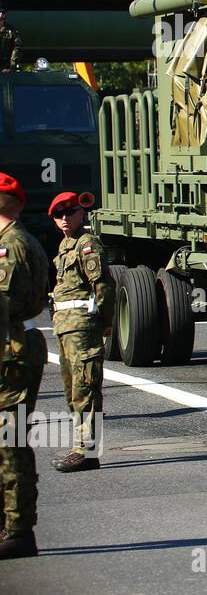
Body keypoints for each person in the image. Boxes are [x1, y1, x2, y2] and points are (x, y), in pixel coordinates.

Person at [0, 172, 50, 559]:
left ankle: (17, 530)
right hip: (15, 346)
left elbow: (6, 302)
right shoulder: (17, 241)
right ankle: (12, 525)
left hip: (12, 351)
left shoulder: (11, 246)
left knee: (10, 443)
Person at [47, 193, 114, 474]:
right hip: (66, 329)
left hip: (82, 328)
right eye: (58, 215)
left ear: (80, 214)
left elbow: (102, 285)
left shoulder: (87, 245)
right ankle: (81, 448)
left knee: (85, 389)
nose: (64, 219)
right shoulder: (65, 245)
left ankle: (86, 452)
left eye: (69, 213)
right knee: (73, 390)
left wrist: (104, 321)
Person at [0, 2, 21, 73]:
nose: (0, 14)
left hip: (5, 69)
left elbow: (17, 47)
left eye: (3, 12)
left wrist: (12, 66)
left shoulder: (11, 30)